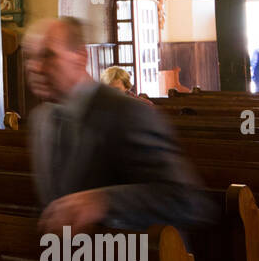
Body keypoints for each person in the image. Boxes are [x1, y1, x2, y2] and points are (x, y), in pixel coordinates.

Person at [25, 17, 213, 233]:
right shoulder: (41, 119)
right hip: (71, 258)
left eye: (48, 55)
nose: (35, 67)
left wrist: (103, 202)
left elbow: (186, 200)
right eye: (29, 58)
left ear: (80, 56)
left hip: (137, 258)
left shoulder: (129, 111)